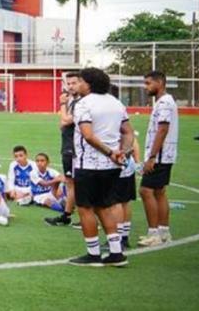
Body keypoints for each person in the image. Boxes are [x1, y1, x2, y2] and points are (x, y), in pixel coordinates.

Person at [67, 67, 134, 267]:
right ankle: (116, 252)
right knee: (104, 206)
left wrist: (110, 152)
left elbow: (88, 135)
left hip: (89, 164)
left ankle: (93, 254)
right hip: (112, 166)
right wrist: (124, 152)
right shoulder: (116, 102)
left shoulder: (83, 104)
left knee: (85, 208)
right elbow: (128, 132)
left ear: (88, 83)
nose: (76, 85)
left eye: (79, 81)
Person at [139, 70, 178, 247]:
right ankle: (164, 232)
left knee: (146, 191)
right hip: (165, 155)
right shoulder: (165, 101)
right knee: (159, 191)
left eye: (148, 83)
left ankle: (154, 233)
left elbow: (162, 129)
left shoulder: (164, 103)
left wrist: (152, 156)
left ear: (160, 82)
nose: (146, 87)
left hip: (160, 156)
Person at [47, 72, 84, 227]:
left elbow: (65, 120)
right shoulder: (73, 101)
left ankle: (85, 218)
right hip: (68, 146)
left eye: (74, 83)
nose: (70, 86)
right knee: (70, 183)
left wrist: (62, 105)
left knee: (76, 184)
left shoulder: (81, 102)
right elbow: (62, 124)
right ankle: (67, 215)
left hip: (75, 148)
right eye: (68, 84)